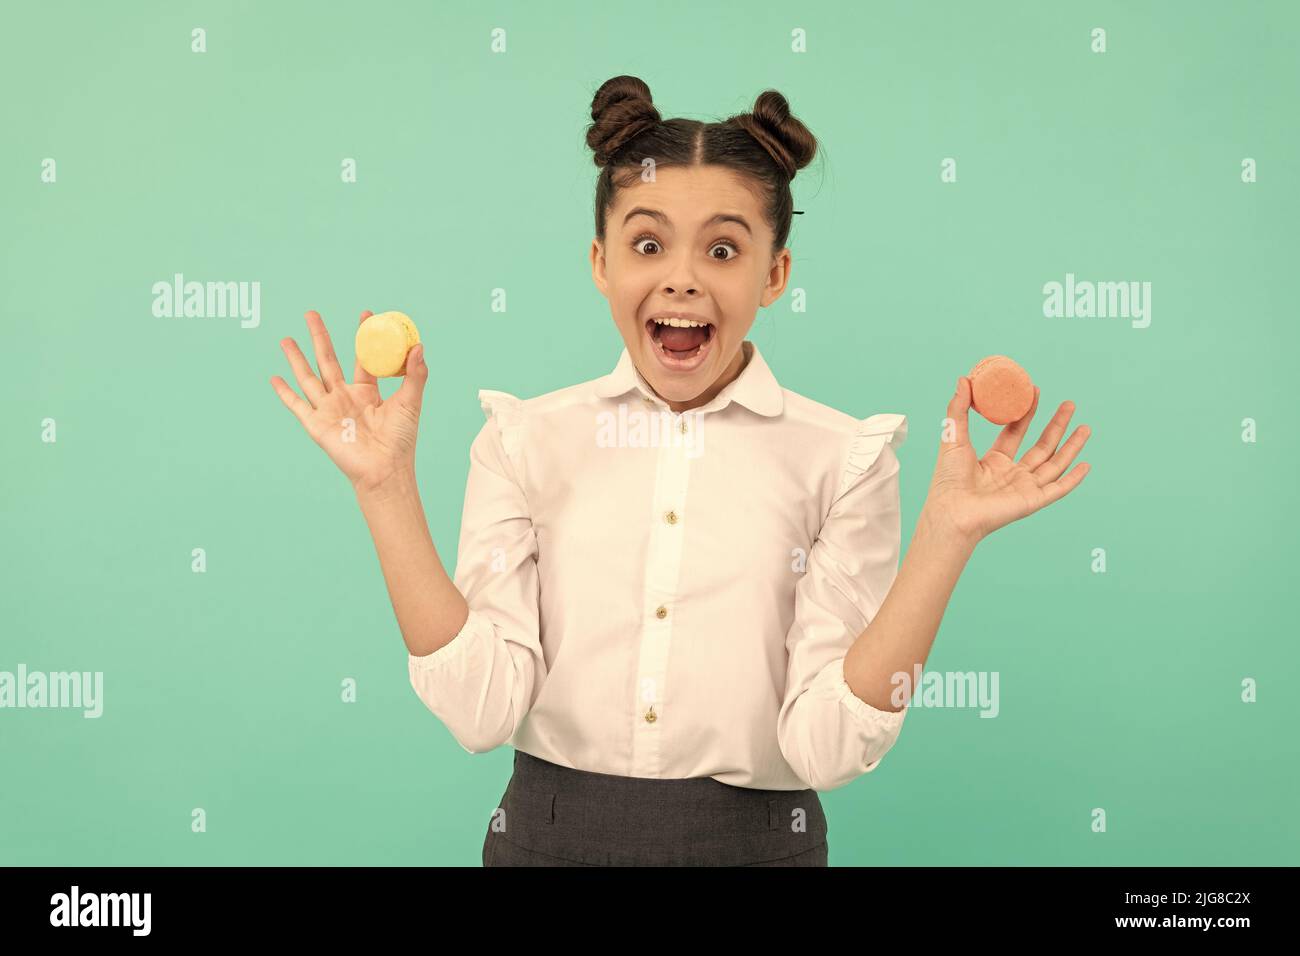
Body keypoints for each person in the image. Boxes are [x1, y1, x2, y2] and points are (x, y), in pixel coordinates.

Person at [269, 75, 1092, 867]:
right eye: (648, 243)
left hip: (761, 848)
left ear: (774, 275)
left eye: (724, 248)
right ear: (602, 263)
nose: (683, 277)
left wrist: (946, 537)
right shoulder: (524, 441)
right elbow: (481, 709)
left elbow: (827, 747)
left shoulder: (844, 459)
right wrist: (384, 489)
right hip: (544, 842)